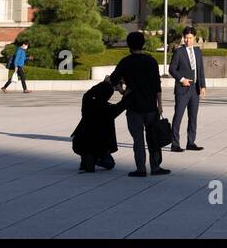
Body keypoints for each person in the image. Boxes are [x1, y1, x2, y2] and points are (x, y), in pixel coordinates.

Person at [108, 31, 169, 177]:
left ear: (129, 45)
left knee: (138, 140)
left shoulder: (126, 62)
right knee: (153, 138)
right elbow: (157, 85)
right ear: (143, 44)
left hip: (133, 105)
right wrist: (159, 105)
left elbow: (113, 79)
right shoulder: (151, 61)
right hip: (150, 105)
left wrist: (122, 91)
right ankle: (155, 168)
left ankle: (141, 169)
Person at [72, 79, 128, 172]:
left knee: (87, 146)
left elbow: (88, 93)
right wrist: (125, 93)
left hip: (80, 141)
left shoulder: (87, 103)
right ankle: (94, 158)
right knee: (110, 164)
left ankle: (86, 157)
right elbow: (122, 105)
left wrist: (104, 83)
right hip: (99, 145)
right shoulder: (108, 109)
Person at [169, 27, 206, 152]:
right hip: (182, 89)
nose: (187, 40)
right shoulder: (179, 52)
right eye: (185, 37)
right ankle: (175, 144)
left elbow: (200, 70)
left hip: (195, 89)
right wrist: (182, 79)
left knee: (193, 117)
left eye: (190, 38)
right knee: (178, 116)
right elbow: (172, 69)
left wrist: (203, 86)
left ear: (194, 38)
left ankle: (191, 142)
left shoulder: (198, 52)